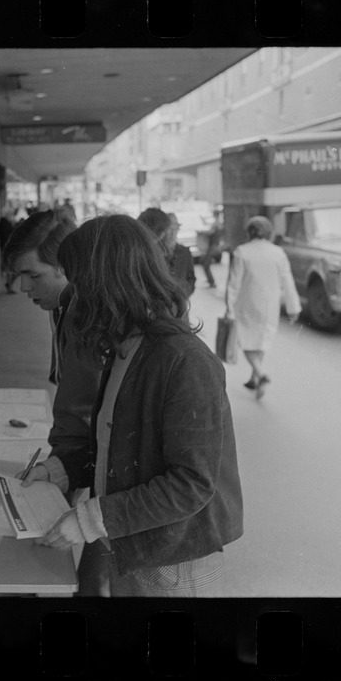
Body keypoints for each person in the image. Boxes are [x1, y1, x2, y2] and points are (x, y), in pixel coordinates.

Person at [21, 215, 243, 597]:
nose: (75, 297)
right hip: (136, 548)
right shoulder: (128, 347)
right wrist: (61, 470)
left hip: (176, 565)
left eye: (81, 283)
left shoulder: (185, 361)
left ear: (108, 284)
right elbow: (117, 446)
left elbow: (191, 483)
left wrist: (91, 519)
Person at [2, 210, 102, 461]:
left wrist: (62, 469)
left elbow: (81, 413)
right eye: (20, 275)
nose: (23, 287)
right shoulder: (61, 303)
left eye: (33, 275)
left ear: (65, 266)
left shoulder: (86, 315)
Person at [224, 215, 301, 399]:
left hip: (247, 305)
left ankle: (259, 373)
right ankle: (256, 380)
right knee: (261, 340)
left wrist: (229, 308)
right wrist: (293, 308)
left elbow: (233, 284)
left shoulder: (242, 252)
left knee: (246, 340)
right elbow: (287, 281)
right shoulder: (278, 252)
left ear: (249, 232)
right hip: (270, 305)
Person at [136, 207, 196, 296]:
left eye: (176, 228)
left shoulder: (185, 252)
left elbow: (191, 278)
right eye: (170, 228)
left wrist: (183, 293)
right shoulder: (151, 253)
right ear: (163, 231)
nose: (173, 232)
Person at [200, 206, 225, 288]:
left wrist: (201, 232)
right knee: (205, 263)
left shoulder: (217, 223)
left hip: (213, 247)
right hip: (213, 246)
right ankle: (210, 280)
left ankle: (211, 281)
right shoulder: (217, 222)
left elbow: (211, 232)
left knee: (205, 263)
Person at [0, 206, 17, 293]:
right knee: (10, 268)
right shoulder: (5, 224)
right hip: (7, 249)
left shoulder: (4, 223)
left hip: (7, 248)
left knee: (10, 269)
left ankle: (9, 285)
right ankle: (9, 285)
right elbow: (7, 236)